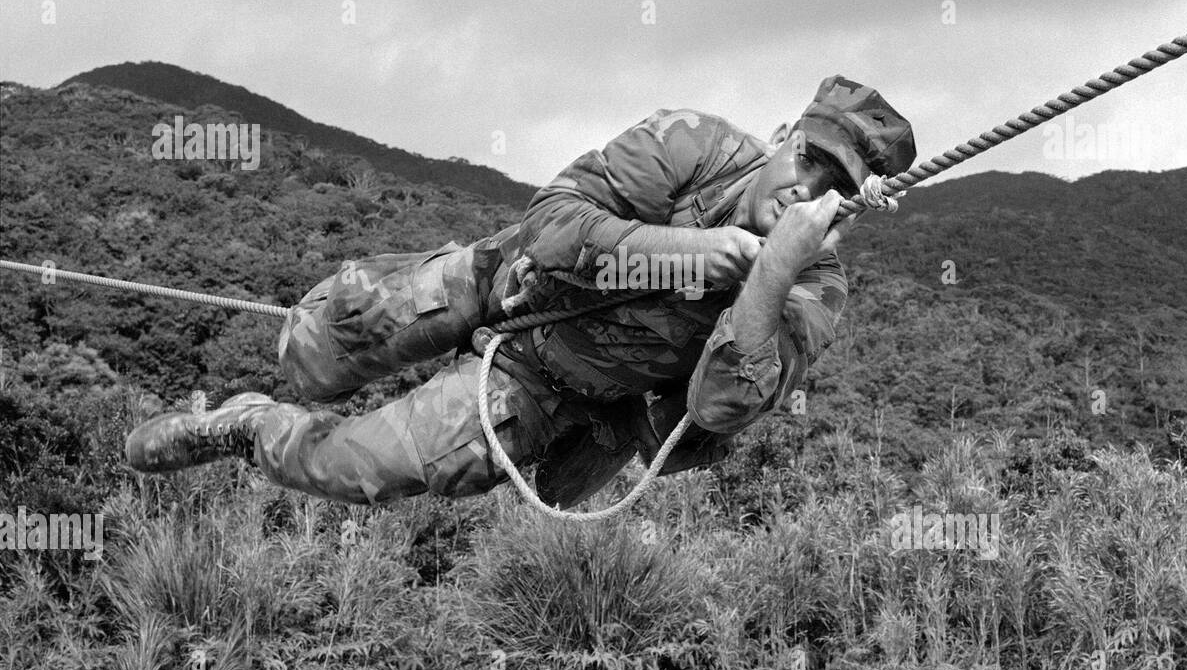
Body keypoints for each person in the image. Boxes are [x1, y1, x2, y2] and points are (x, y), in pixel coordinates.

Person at [125, 76, 915, 508]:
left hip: (546, 390)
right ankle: (293, 370)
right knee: (310, 350)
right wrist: (697, 253)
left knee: (358, 471)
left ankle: (248, 427)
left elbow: (716, 410)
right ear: (782, 136)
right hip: (498, 282)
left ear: (850, 207)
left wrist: (772, 269)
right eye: (808, 159)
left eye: (834, 189)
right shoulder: (695, 143)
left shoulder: (816, 286)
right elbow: (553, 223)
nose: (806, 187)